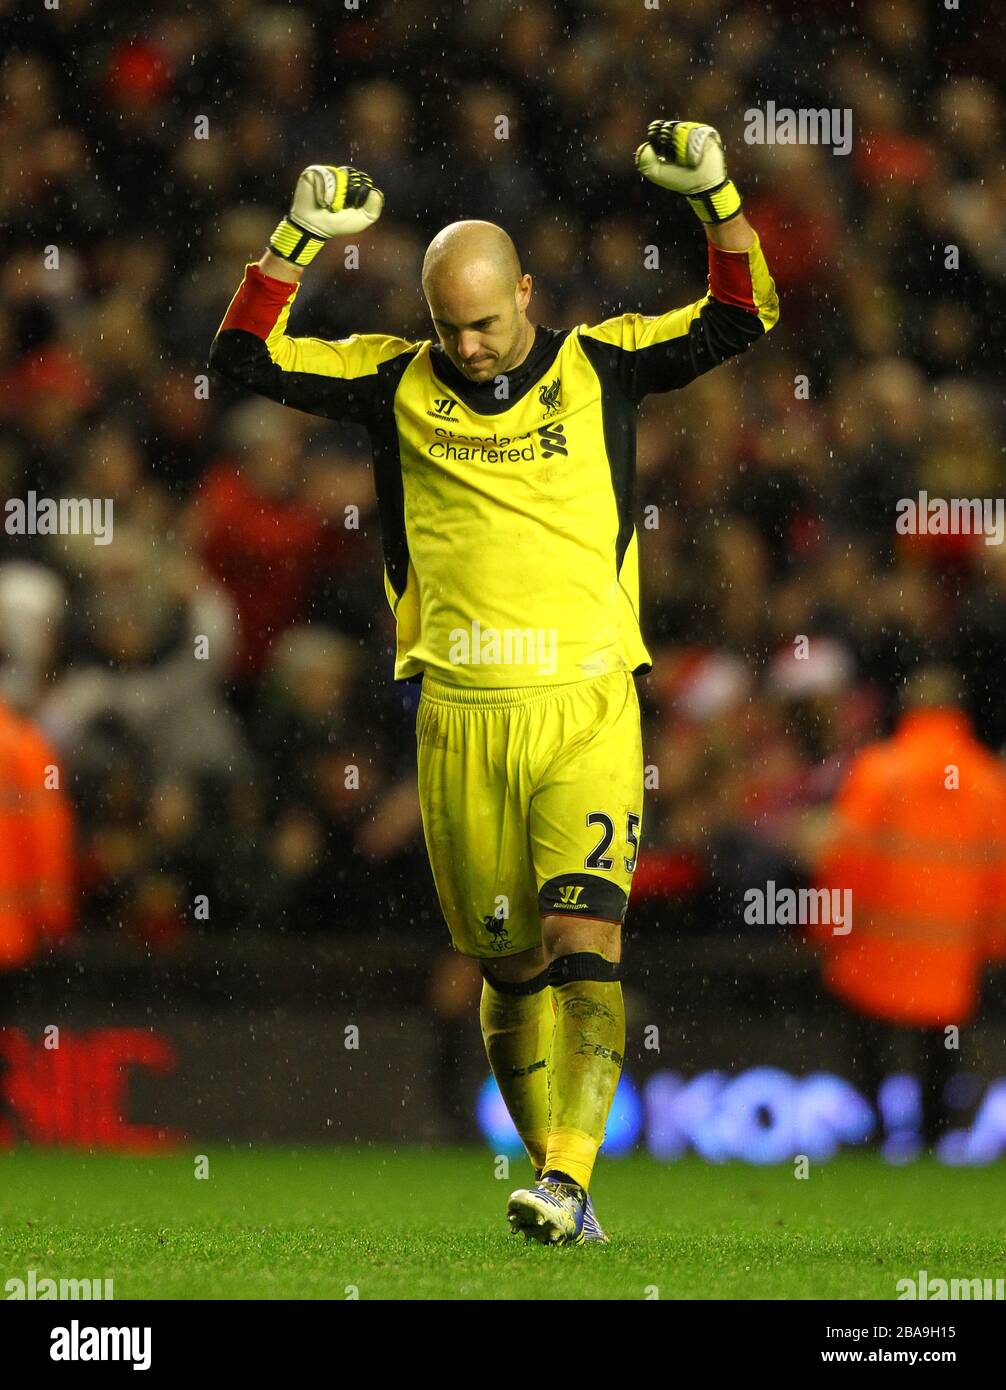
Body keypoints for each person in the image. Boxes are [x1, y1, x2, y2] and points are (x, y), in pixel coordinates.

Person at [209, 121, 779, 1244]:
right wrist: (291, 242)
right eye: (448, 326)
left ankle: (567, 1176)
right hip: (458, 720)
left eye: (487, 319)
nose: (470, 346)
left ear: (525, 289)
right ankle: (559, 1178)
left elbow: (742, 314)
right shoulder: (389, 380)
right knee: (509, 969)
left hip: (587, 708)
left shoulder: (599, 361)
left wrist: (715, 195)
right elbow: (240, 359)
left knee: (587, 945)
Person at [811, 665, 1006, 1148]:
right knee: (941, 1054)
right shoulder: (987, 782)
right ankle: (936, 1139)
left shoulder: (880, 771)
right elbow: (999, 879)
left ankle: (877, 1136)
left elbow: (847, 864)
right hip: (951, 958)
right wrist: (992, 944)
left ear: (909, 710)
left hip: (879, 952)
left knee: (870, 1048)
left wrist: (829, 931)